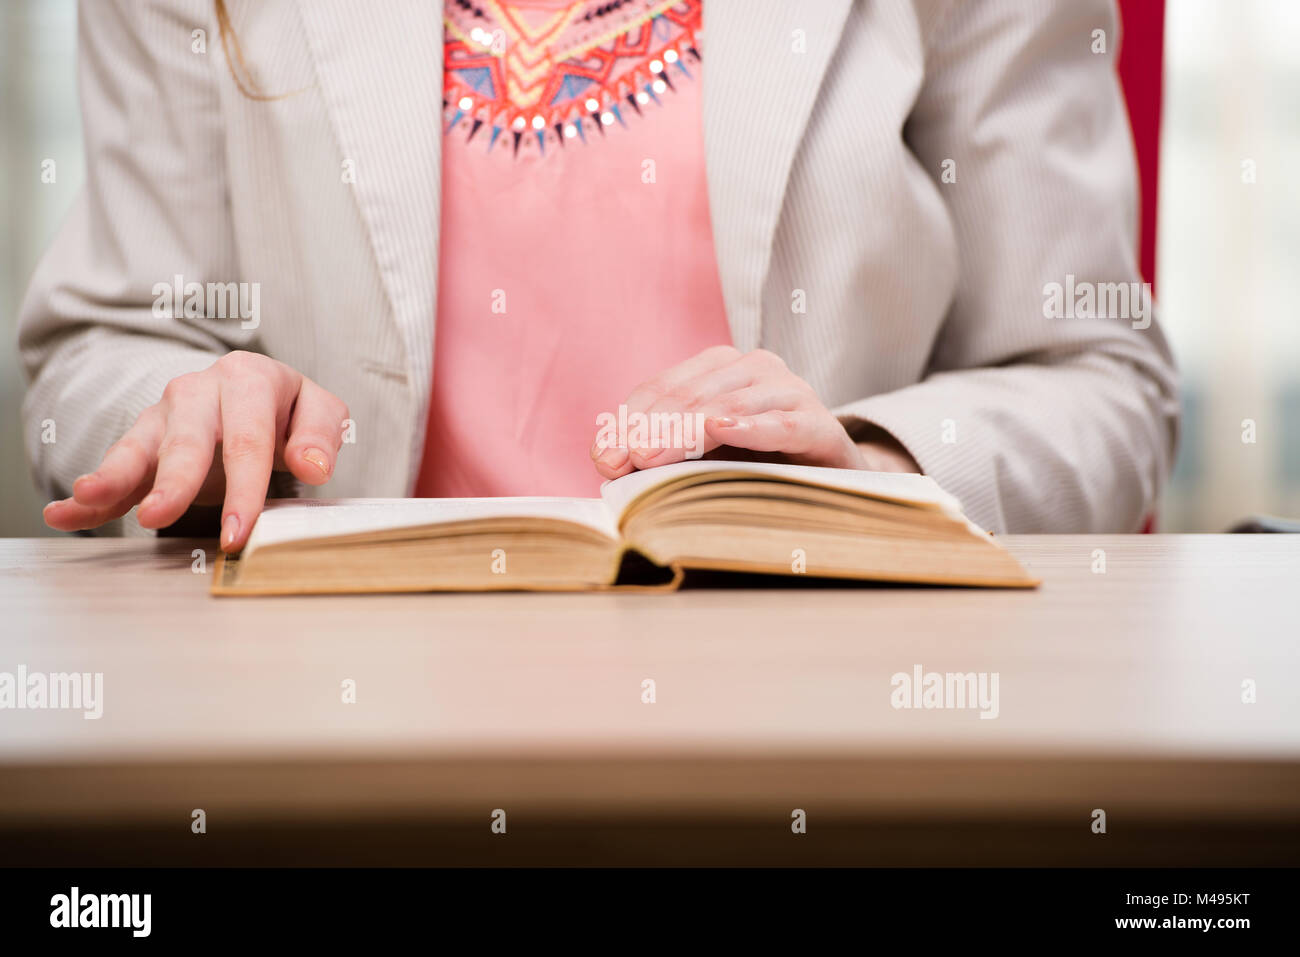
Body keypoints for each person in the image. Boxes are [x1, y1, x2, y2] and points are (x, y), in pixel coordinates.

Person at [20, 0, 1178, 553]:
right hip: (323, 728)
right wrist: (191, 413)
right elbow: (93, 351)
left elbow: (1098, 381)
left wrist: (869, 471)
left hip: (820, 725)